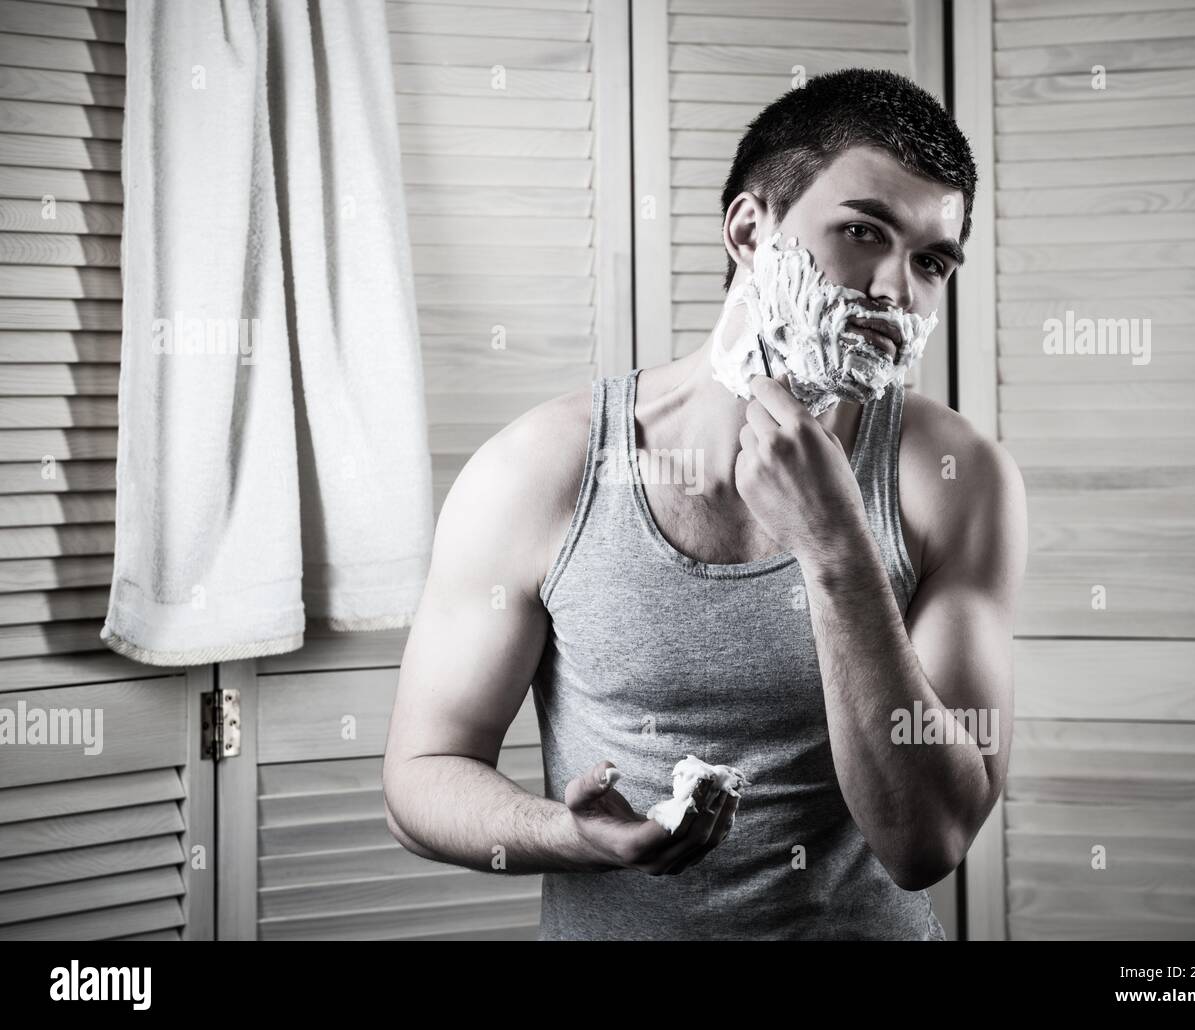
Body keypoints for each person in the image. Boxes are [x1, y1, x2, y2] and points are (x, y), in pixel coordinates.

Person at [383, 68, 1028, 940]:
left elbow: (929, 842)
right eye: (861, 233)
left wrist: (837, 551)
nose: (893, 293)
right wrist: (575, 837)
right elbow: (421, 776)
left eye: (930, 261)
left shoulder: (957, 480)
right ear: (750, 231)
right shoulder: (543, 469)